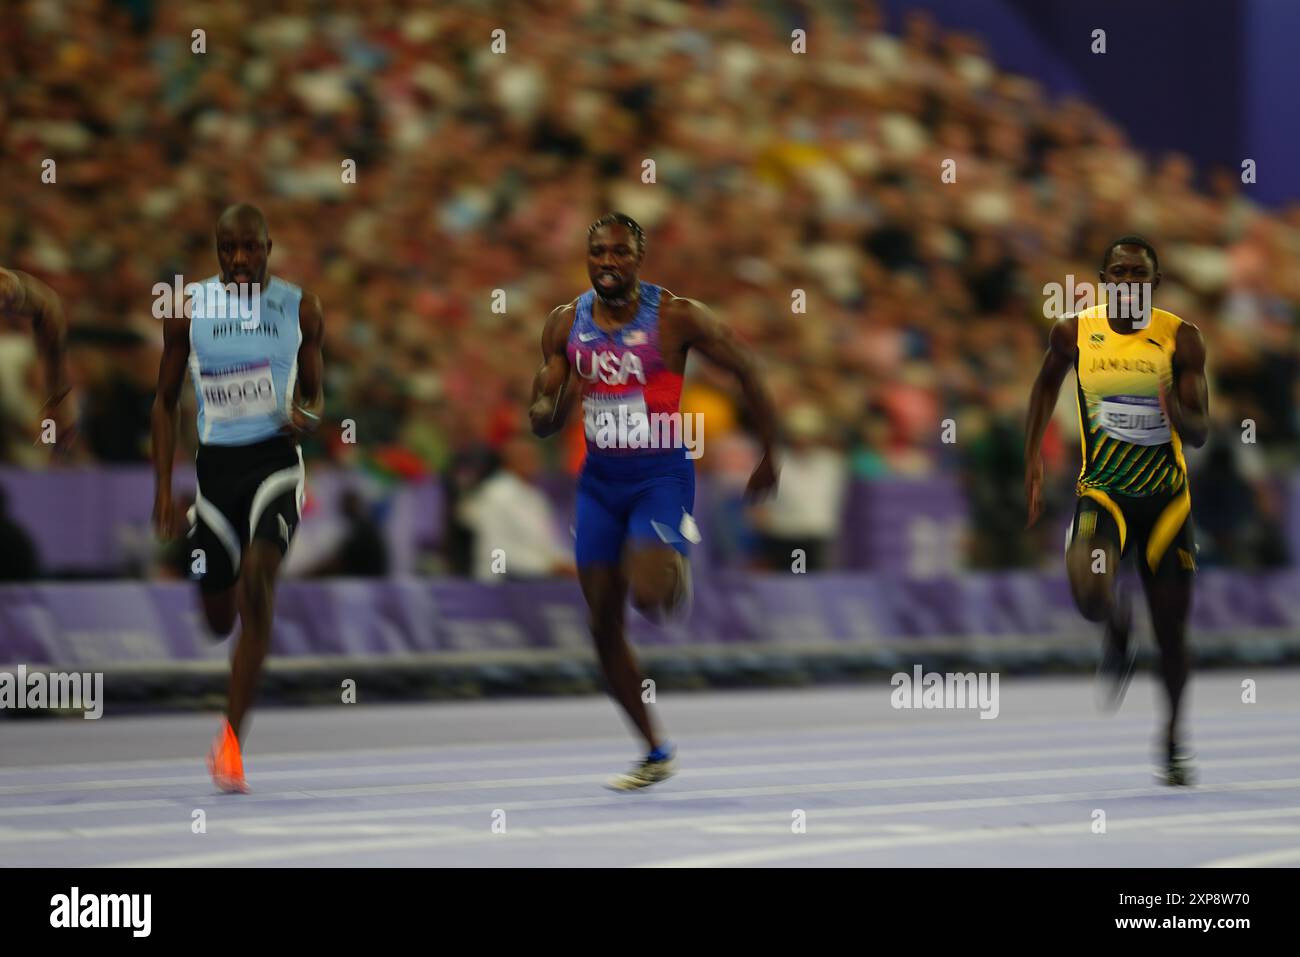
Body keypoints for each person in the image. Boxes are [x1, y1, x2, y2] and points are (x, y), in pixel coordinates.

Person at [529, 213, 778, 789]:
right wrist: (544, 413)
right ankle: (654, 748)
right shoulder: (565, 324)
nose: (607, 262)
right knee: (601, 625)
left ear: (638, 259)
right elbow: (545, 411)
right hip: (600, 484)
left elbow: (748, 369)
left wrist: (772, 455)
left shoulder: (675, 316)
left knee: (651, 599)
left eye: (619, 252)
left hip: (660, 476)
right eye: (597, 253)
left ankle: (671, 572)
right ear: (587, 257)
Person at [151, 203, 325, 793]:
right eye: (229, 249)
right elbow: (164, 400)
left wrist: (307, 414)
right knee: (216, 618)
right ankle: (213, 561)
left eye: (251, 247)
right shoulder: (187, 308)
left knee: (258, 581)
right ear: (217, 250)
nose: (241, 259)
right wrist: (162, 490)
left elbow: (317, 395)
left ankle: (230, 740)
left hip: (274, 467)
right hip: (214, 478)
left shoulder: (301, 307)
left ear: (269, 247)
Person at [1025, 236, 1209, 785]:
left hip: (1165, 504)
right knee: (1089, 593)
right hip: (1103, 494)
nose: (1128, 280)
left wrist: (1175, 407)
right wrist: (1032, 456)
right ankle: (1118, 628)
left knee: (1172, 634)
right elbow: (1042, 389)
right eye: (1119, 271)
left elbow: (1199, 433)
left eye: (1139, 273)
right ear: (1104, 280)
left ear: (1153, 283)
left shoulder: (1182, 339)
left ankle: (1174, 739)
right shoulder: (1074, 332)